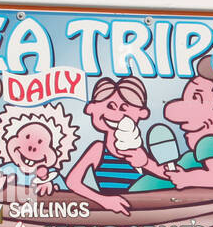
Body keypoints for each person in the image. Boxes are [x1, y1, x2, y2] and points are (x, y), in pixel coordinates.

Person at [128, 55, 213, 192]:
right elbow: (170, 176)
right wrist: (147, 163)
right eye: (185, 97)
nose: (181, 104)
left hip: (158, 205)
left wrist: (187, 179)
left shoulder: (207, 143)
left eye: (196, 97)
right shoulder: (192, 155)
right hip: (151, 204)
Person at [65, 76, 152, 215]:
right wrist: (104, 200)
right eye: (110, 106)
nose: (117, 113)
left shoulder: (136, 150)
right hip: (111, 216)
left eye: (124, 108)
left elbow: (164, 174)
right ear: (91, 108)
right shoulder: (98, 150)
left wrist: (146, 163)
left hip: (141, 212)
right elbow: (72, 182)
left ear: (142, 113)